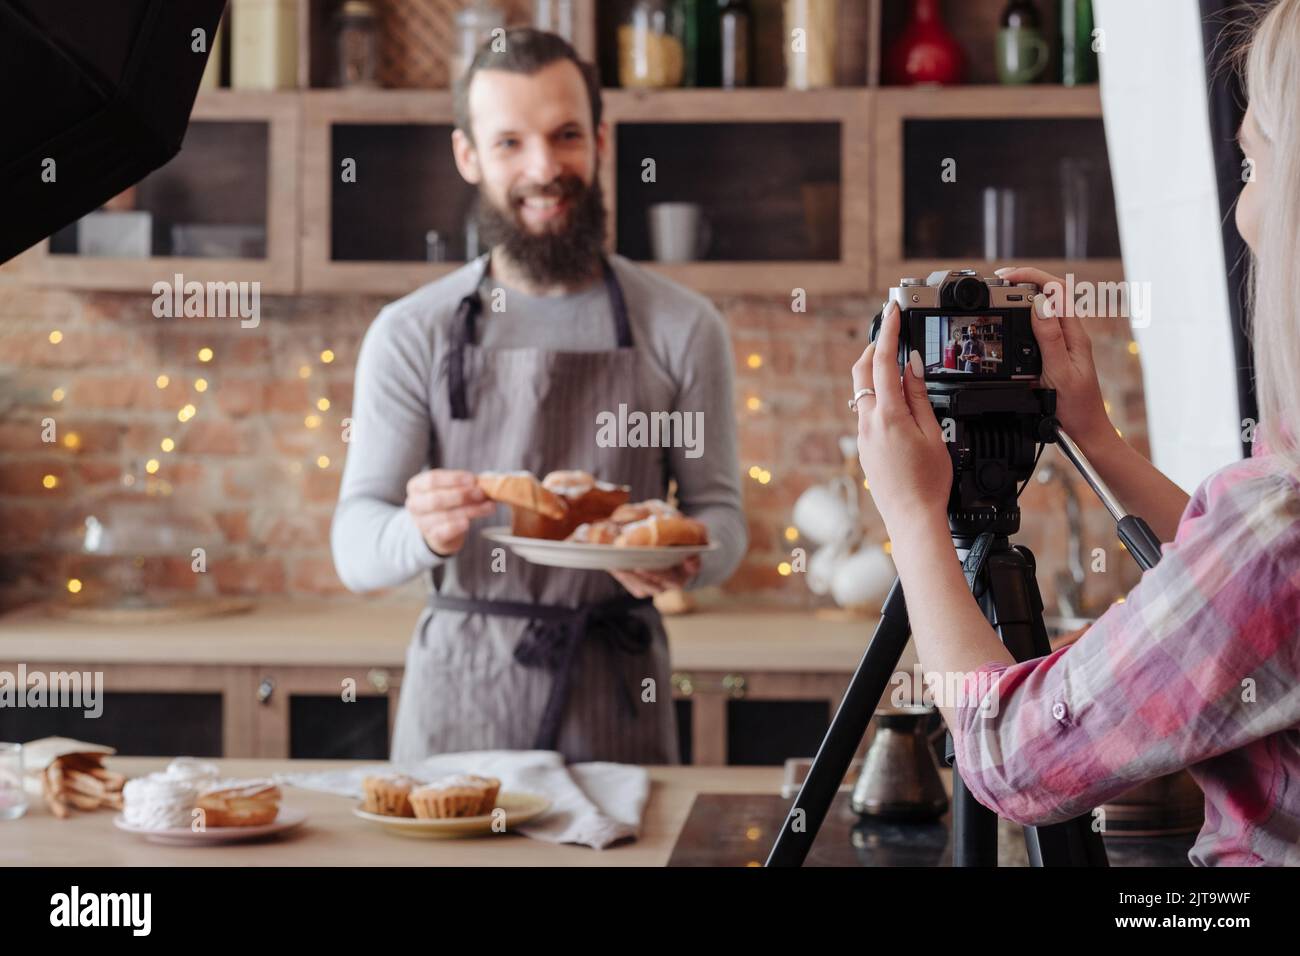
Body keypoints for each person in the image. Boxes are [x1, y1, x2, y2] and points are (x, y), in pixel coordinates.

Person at [849, 0, 1300, 865]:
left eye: (1249, 166)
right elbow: (1244, 594)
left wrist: (912, 521)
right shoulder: (1266, 523)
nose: (1240, 210)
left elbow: (1011, 757)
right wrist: (1093, 433)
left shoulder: (1273, 522)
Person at [331, 30, 746, 765]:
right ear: (468, 156)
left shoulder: (683, 326)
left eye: (565, 136)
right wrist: (420, 534)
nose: (543, 168)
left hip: (616, 689)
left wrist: (684, 561)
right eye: (509, 143)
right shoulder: (411, 332)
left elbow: (723, 520)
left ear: (601, 139)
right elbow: (355, 545)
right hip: (461, 689)